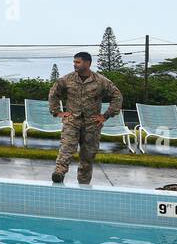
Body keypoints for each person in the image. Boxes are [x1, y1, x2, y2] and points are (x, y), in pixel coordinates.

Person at [48, 51, 122, 185]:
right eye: (74, 62)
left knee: (87, 157)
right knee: (66, 149)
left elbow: (117, 96)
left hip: (92, 124)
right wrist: (57, 112)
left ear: (87, 63)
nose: (75, 65)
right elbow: (54, 93)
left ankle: (83, 184)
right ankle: (59, 173)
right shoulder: (67, 79)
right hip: (72, 121)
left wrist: (105, 116)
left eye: (78, 62)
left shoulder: (100, 81)